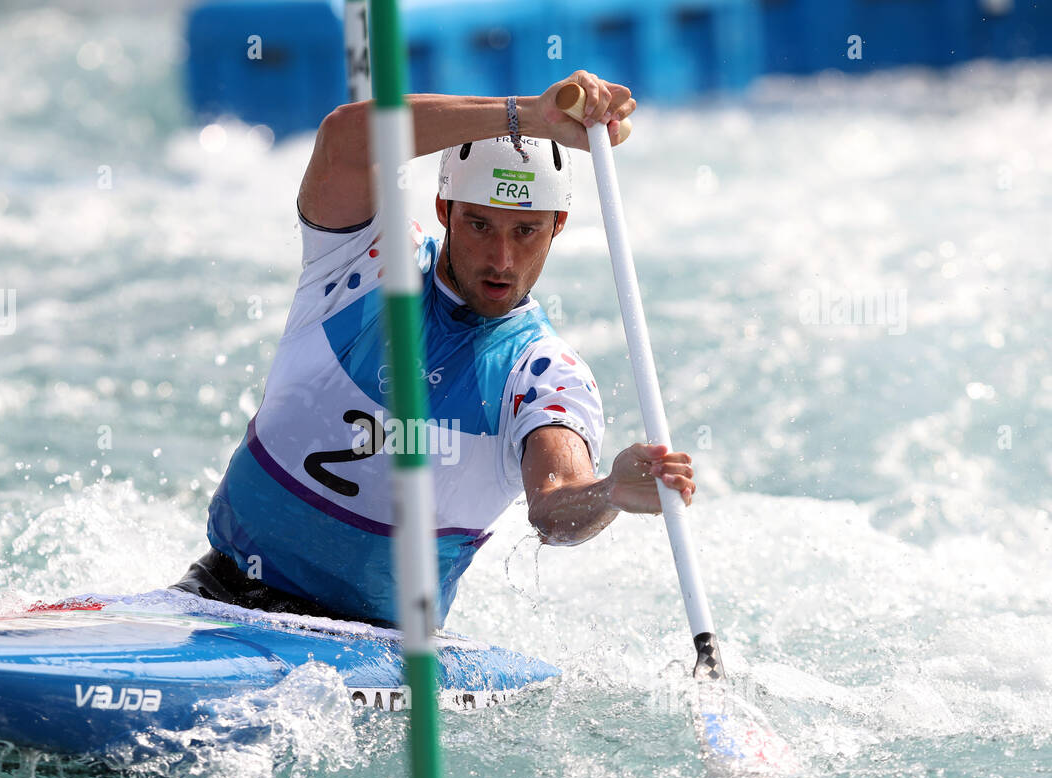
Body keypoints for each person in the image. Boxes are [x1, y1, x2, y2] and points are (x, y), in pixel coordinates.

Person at [172, 70, 696, 626]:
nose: (502, 259)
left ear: (557, 226)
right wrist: (523, 116)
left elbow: (555, 507)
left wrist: (611, 491)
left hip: (376, 649)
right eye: (479, 225)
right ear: (444, 209)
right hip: (217, 594)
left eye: (525, 232)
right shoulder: (366, 263)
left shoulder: (544, 374)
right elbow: (346, 140)